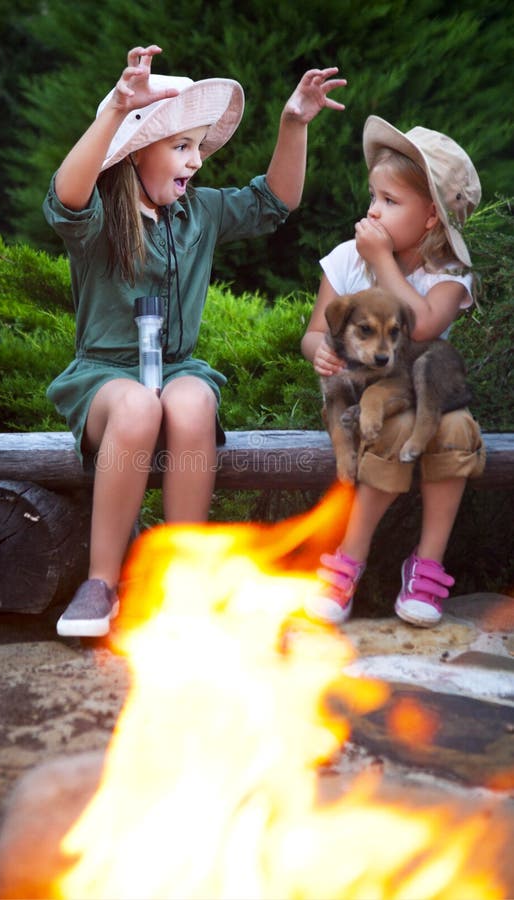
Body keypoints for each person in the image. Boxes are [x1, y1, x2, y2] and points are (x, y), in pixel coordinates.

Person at [44, 44, 346, 637]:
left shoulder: (199, 213)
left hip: (178, 366)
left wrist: (293, 124)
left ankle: (184, 578)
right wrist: (113, 114)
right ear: (135, 157)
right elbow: (65, 196)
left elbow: (274, 202)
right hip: (106, 377)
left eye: (200, 147)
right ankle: (102, 581)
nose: (198, 162)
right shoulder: (101, 216)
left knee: (191, 402)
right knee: (137, 405)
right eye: (181, 147)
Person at [301, 115, 485, 628]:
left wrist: (381, 259)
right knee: (390, 424)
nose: (373, 210)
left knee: (455, 430)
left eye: (390, 201)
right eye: (374, 196)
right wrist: (320, 350)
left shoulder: (448, 275)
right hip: (366, 399)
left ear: (431, 217)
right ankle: (348, 561)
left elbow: (423, 327)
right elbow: (315, 332)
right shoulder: (346, 261)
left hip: (426, 394)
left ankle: (427, 564)